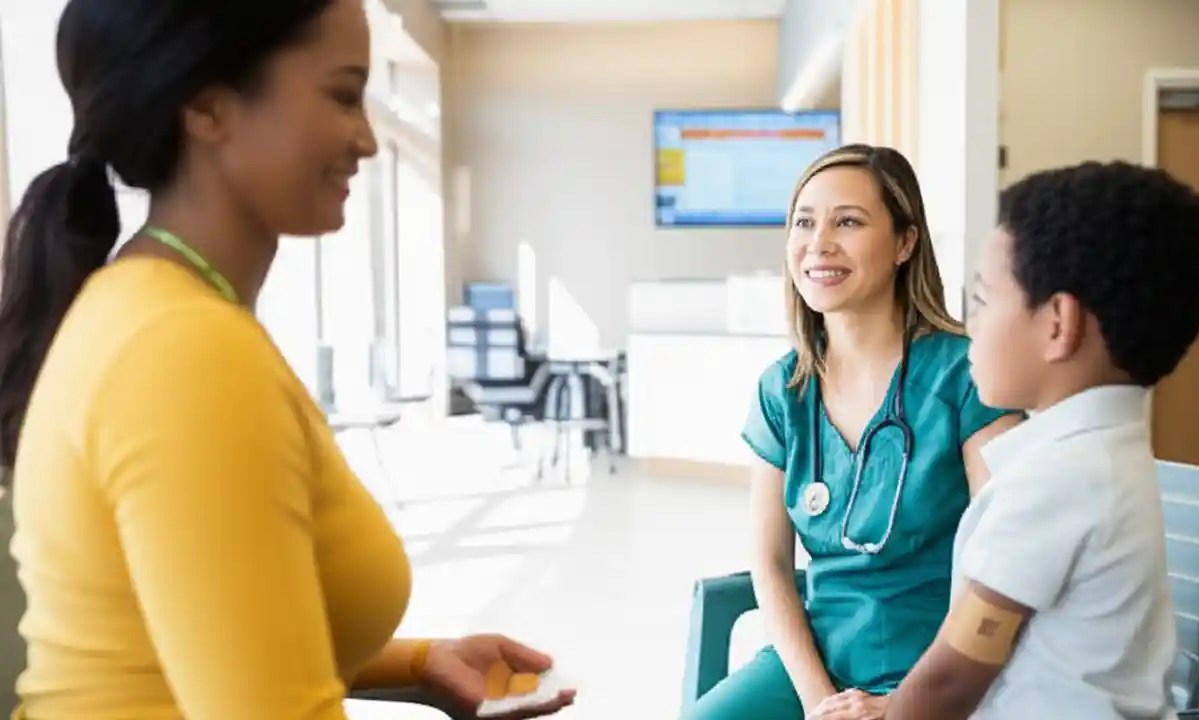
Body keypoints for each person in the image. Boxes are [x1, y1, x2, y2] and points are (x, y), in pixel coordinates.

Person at [0, 1, 573, 718]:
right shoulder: (186, 352)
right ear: (208, 107)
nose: (366, 139)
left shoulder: (159, 312)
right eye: (342, 95)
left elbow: (180, 634)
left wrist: (422, 661)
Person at [682, 144, 1020, 720]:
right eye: (804, 222)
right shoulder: (783, 390)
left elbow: (1013, 567)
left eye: (849, 222)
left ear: (905, 243)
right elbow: (769, 563)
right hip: (822, 664)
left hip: (944, 672)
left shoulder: (968, 377)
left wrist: (903, 706)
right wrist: (820, 703)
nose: (819, 243)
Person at [886, 161, 1199, 719]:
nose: (971, 324)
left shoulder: (1057, 480)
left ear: (1058, 324)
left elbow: (948, 682)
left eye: (984, 300)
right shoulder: (1104, 453)